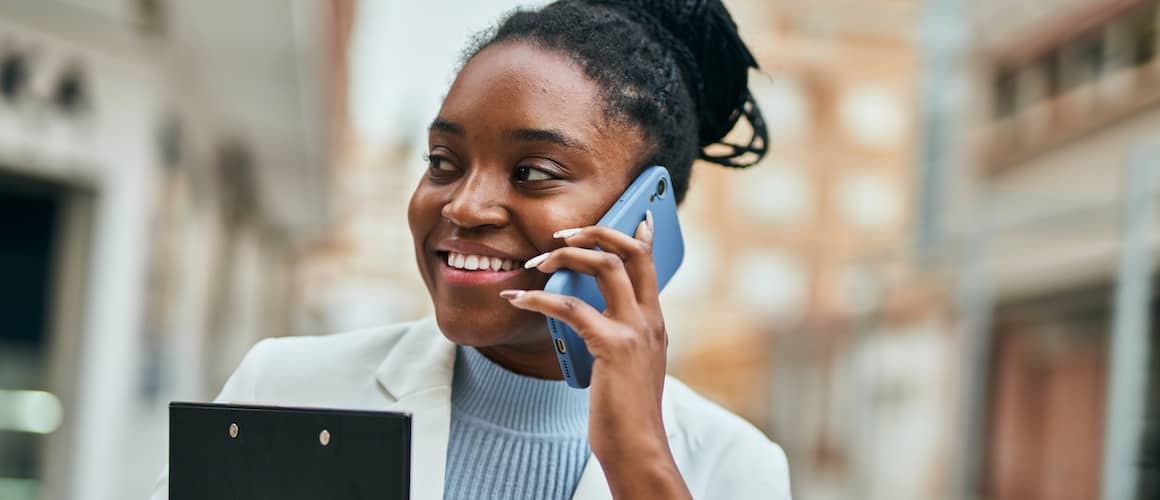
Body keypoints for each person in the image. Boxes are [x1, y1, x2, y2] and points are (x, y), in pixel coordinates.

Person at [151, 0, 790, 498]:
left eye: (534, 171)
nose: (462, 205)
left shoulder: (733, 467)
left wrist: (640, 461)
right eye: (443, 161)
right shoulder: (287, 387)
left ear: (644, 219)